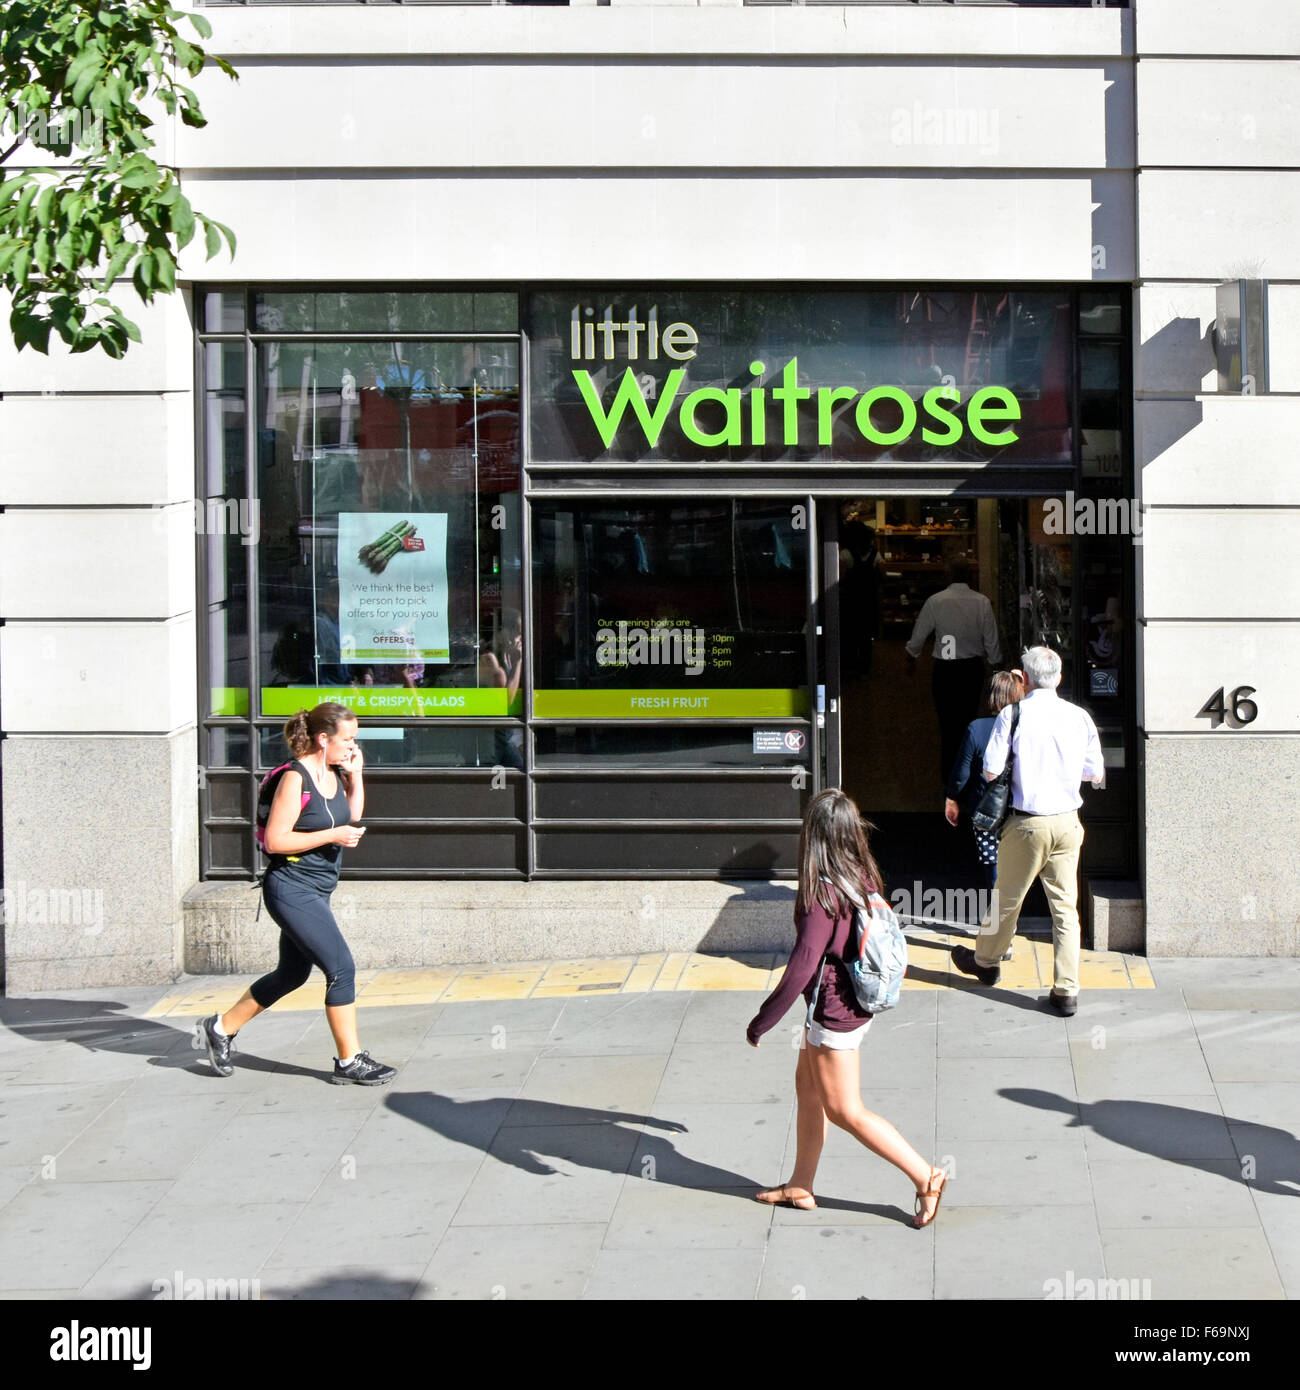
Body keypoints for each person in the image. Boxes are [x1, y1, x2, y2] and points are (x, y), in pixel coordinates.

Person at [746, 788, 949, 1228]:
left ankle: (926, 1175)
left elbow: (801, 968)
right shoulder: (860, 874)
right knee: (808, 1090)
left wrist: (761, 1022)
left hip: (834, 1013)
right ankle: (801, 1185)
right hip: (845, 1003)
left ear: (813, 837)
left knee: (845, 1110)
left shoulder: (822, 894)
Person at [194, 702, 397, 1085]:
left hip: (317, 888)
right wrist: (333, 836)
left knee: (291, 974)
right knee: (341, 969)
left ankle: (219, 1028)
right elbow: (276, 840)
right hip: (290, 887)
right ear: (323, 739)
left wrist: (357, 777)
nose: (353, 747)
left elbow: (349, 815)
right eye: (348, 740)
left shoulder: (333, 771)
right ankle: (349, 1060)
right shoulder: (296, 779)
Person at [950, 646, 1105, 1016]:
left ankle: (985, 960)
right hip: (1068, 821)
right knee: (1066, 909)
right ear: (1060, 678)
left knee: (1007, 898)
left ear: (1027, 678)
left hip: (1028, 822)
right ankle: (1066, 989)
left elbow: (989, 770)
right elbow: (1095, 774)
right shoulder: (1079, 717)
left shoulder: (1013, 714)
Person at [905, 557, 1001, 786]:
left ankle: (949, 777)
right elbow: (991, 640)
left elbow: (918, 637)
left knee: (947, 725)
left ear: (948, 576)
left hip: (945, 671)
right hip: (972, 670)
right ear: (969, 576)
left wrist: (911, 657)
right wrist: (996, 664)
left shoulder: (935, 601)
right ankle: (968, 775)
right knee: (969, 721)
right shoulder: (982, 602)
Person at [945, 668, 1026, 894]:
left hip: (987, 809)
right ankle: (1016, 914)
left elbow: (962, 773)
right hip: (1022, 807)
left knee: (994, 867)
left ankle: (999, 917)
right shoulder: (1028, 725)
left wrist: (952, 798)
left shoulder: (977, 728)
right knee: (1022, 865)